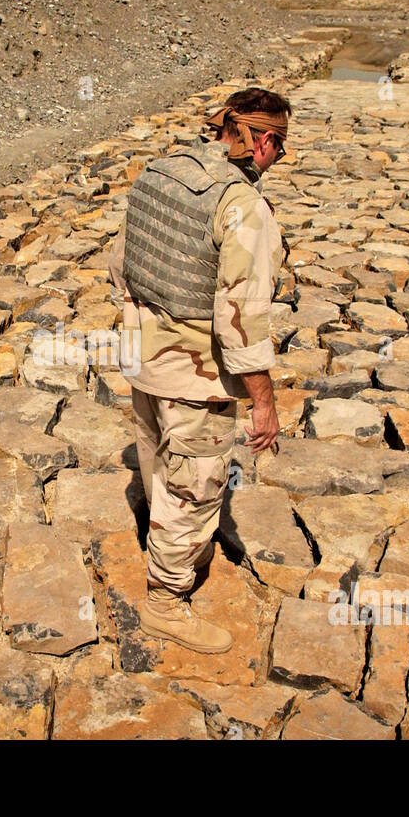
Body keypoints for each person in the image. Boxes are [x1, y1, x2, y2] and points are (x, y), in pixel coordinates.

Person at [107, 87, 290, 654]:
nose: (279, 158)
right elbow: (240, 318)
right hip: (197, 375)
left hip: (143, 353)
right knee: (195, 489)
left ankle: (169, 545)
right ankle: (166, 600)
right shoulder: (241, 205)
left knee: (157, 460)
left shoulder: (160, 171)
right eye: (280, 146)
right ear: (262, 140)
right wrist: (263, 399)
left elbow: (121, 261)